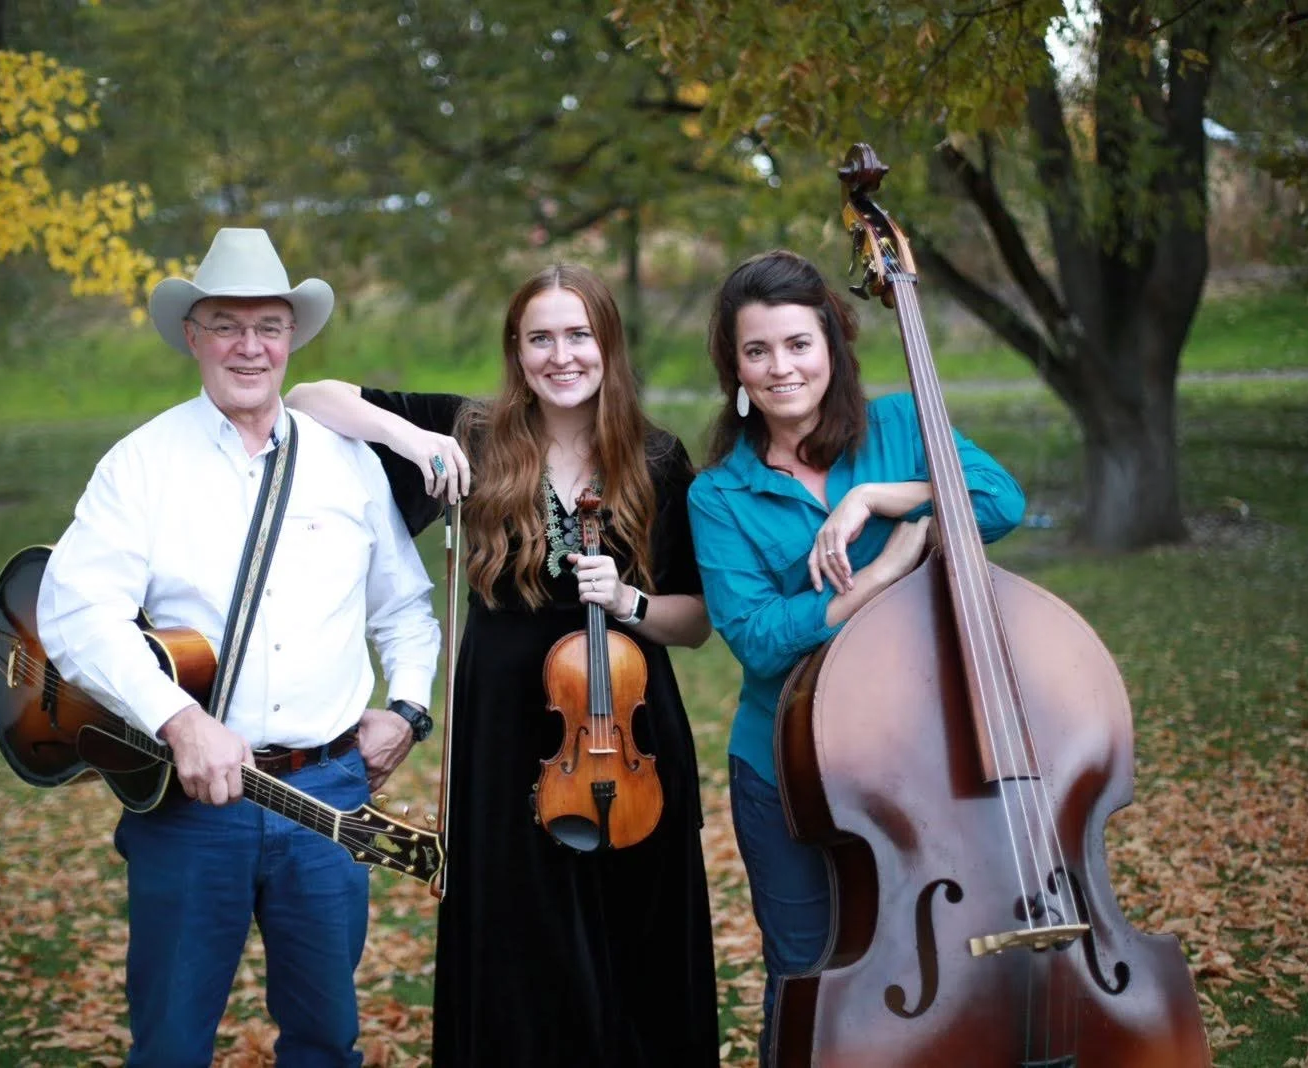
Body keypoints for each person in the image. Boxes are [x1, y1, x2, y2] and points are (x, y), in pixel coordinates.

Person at [285, 263, 720, 1067]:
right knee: (520, 950)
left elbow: (693, 622)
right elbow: (309, 397)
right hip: (504, 736)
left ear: (608, 343)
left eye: (579, 335)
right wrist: (412, 438)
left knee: (636, 944)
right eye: (539, 338)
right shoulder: (475, 434)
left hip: (628, 735)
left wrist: (629, 602)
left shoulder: (657, 457)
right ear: (516, 350)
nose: (562, 356)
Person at [37, 227, 442, 1067]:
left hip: (327, 793)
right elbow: (76, 613)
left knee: (326, 1042)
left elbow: (406, 606)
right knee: (171, 1046)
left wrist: (407, 707)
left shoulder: (347, 462)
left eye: (268, 326)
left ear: (292, 337)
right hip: (190, 807)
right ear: (193, 336)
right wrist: (178, 720)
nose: (248, 346)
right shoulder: (142, 464)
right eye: (226, 325)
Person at [686, 250, 1026, 1063]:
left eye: (798, 344)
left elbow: (999, 502)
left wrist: (877, 498)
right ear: (735, 368)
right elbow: (757, 638)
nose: (781, 367)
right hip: (789, 763)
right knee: (809, 972)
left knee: (930, 953)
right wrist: (879, 574)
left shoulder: (902, 427)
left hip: (922, 754)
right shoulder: (719, 494)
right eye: (757, 350)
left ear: (832, 346)